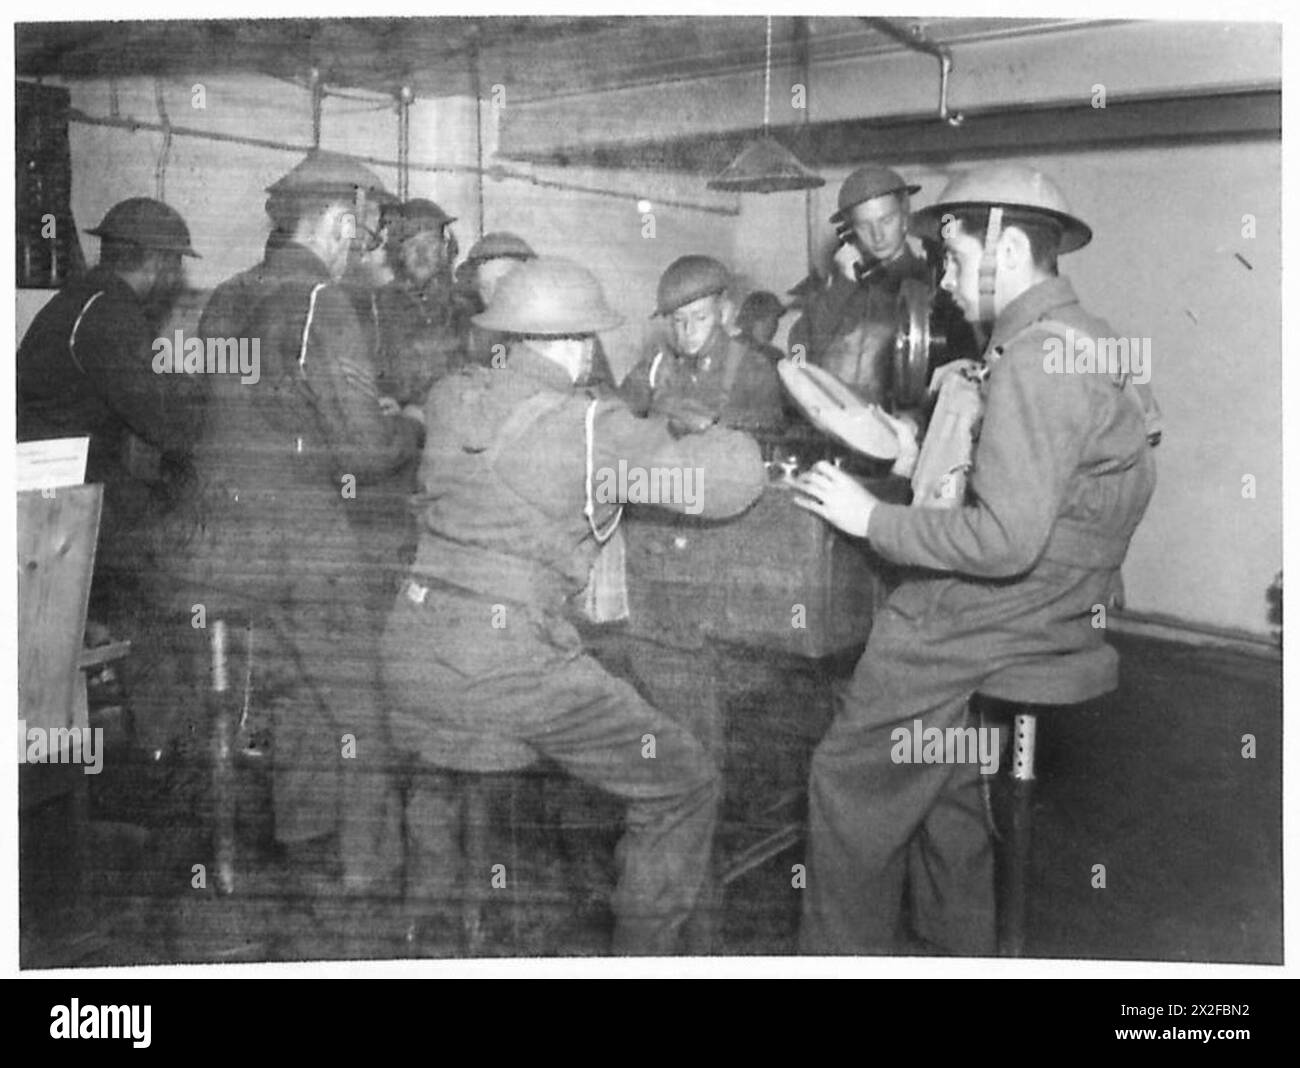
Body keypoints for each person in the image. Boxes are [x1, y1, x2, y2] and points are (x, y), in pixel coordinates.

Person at [792, 164, 1158, 955]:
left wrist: (873, 520)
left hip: (1005, 610)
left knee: (844, 779)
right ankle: (958, 953)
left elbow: (1004, 541)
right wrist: (909, 447)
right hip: (1066, 597)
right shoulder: (1083, 337)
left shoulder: (1030, 361)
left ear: (1008, 250)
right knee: (942, 779)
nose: (947, 283)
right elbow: (1045, 479)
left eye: (954, 260)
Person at [380, 257, 767, 954]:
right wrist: (697, 431)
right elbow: (733, 482)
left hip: (410, 648)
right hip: (506, 663)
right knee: (682, 781)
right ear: (580, 343)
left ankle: (431, 942)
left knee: (447, 788)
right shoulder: (591, 427)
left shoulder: (449, 395)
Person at [172, 150, 424, 926]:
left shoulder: (224, 297)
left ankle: (303, 852)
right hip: (302, 548)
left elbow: (210, 416)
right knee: (362, 707)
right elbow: (361, 450)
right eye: (363, 230)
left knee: (300, 703)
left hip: (223, 550)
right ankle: (370, 890)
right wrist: (410, 426)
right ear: (341, 221)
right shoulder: (323, 301)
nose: (360, 248)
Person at [17, 197, 201, 623]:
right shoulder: (109, 312)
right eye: (175, 264)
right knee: (160, 573)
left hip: (51, 483)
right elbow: (163, 420)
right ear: (156, 261)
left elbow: (140, 381)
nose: (175, 277)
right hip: (57, 492)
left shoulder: (87, 297)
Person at [789, 165, 931, 406]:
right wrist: (843, 283)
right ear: (849, 232)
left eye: (886, 220)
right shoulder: (841, 288)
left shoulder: (928, 282)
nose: (878, 235)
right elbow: (799, 347)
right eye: (864, 226)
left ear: (905, 217)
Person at [622, 254, 785, 434]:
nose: (688, 330)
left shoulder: (753, 368)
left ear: (723, 313)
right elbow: (616, 420)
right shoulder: (655, 367)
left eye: (700, 318)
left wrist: (713, 424)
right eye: (679, 320)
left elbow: (769, 437)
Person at [735, 289, 789, 363]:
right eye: (772, 321)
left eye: (776, 321)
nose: (774, 327)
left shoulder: (775, 355)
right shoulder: (732, 348)